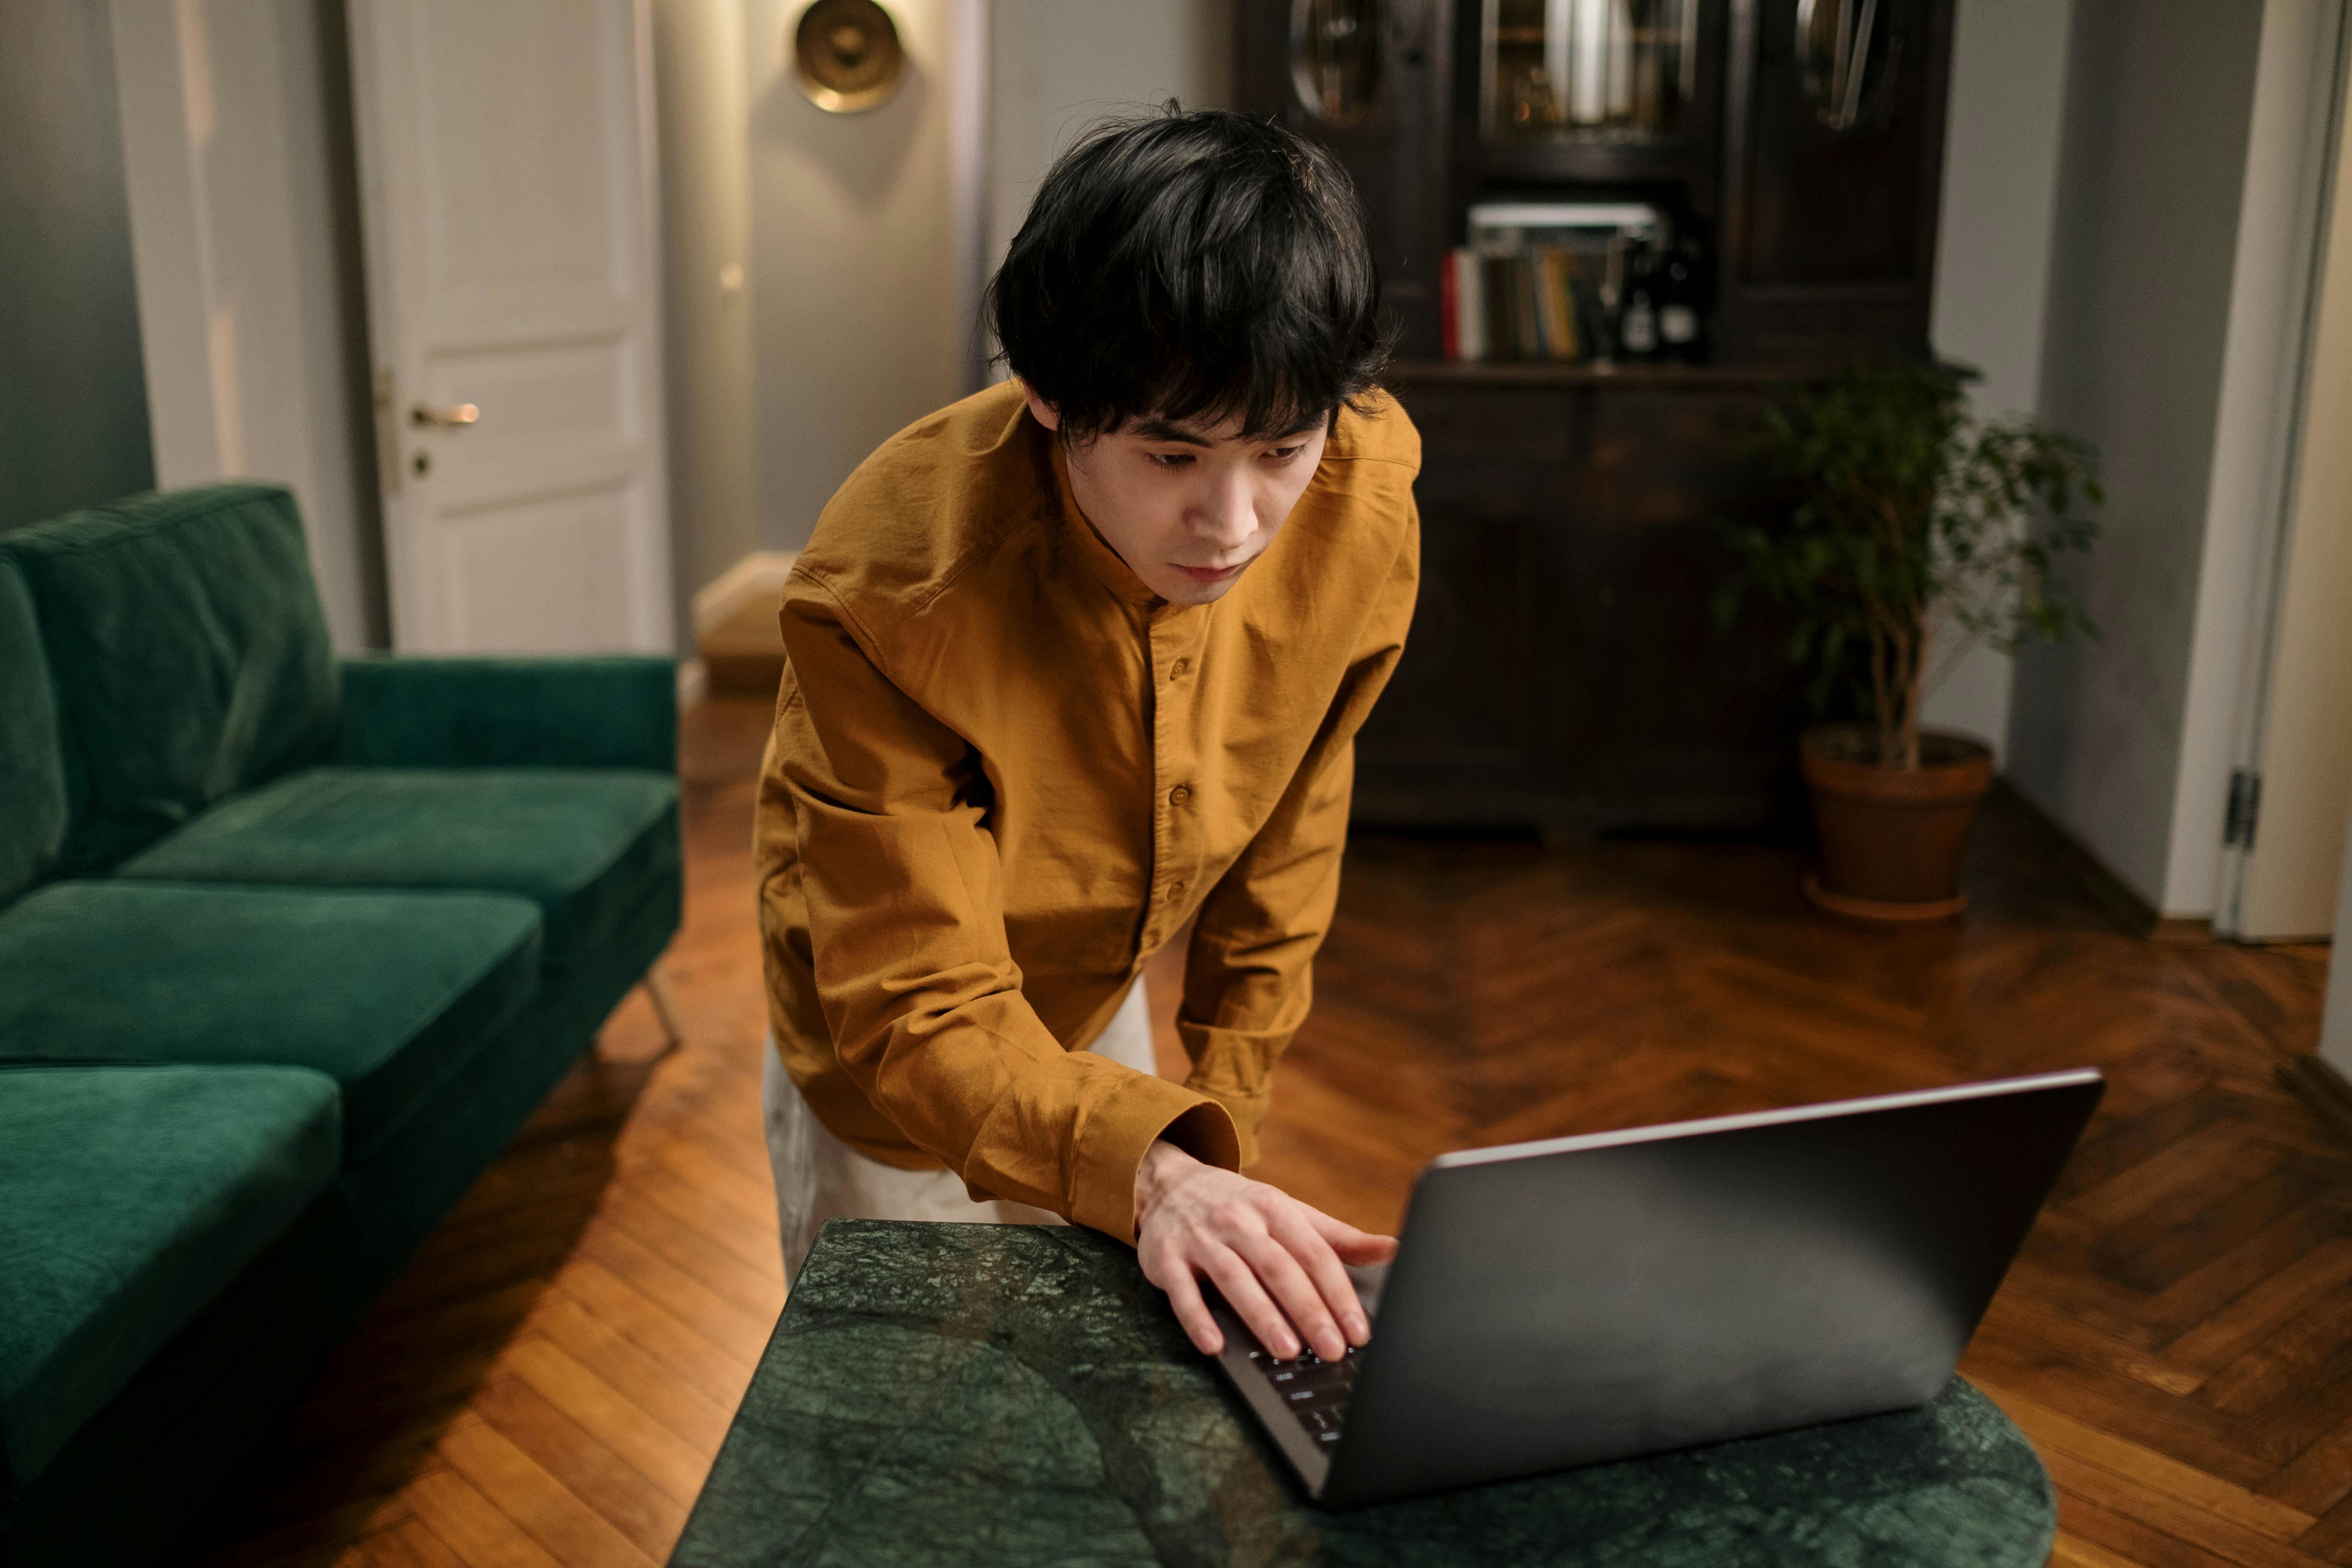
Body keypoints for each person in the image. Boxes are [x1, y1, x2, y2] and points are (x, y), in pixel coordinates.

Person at [754, 107, 1420, 1366]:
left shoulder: (1367, 494)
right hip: (894, 1051)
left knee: (1104, 1370)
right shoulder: (886, 592)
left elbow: (1291, 830)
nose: (1234, 522)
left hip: (1096, 984)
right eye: (1173, 454)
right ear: (1049, 396)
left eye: (1282, 450)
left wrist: (1215, 1129)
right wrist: (1160, 1173)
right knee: (909, 1409)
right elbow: (918, 1003)